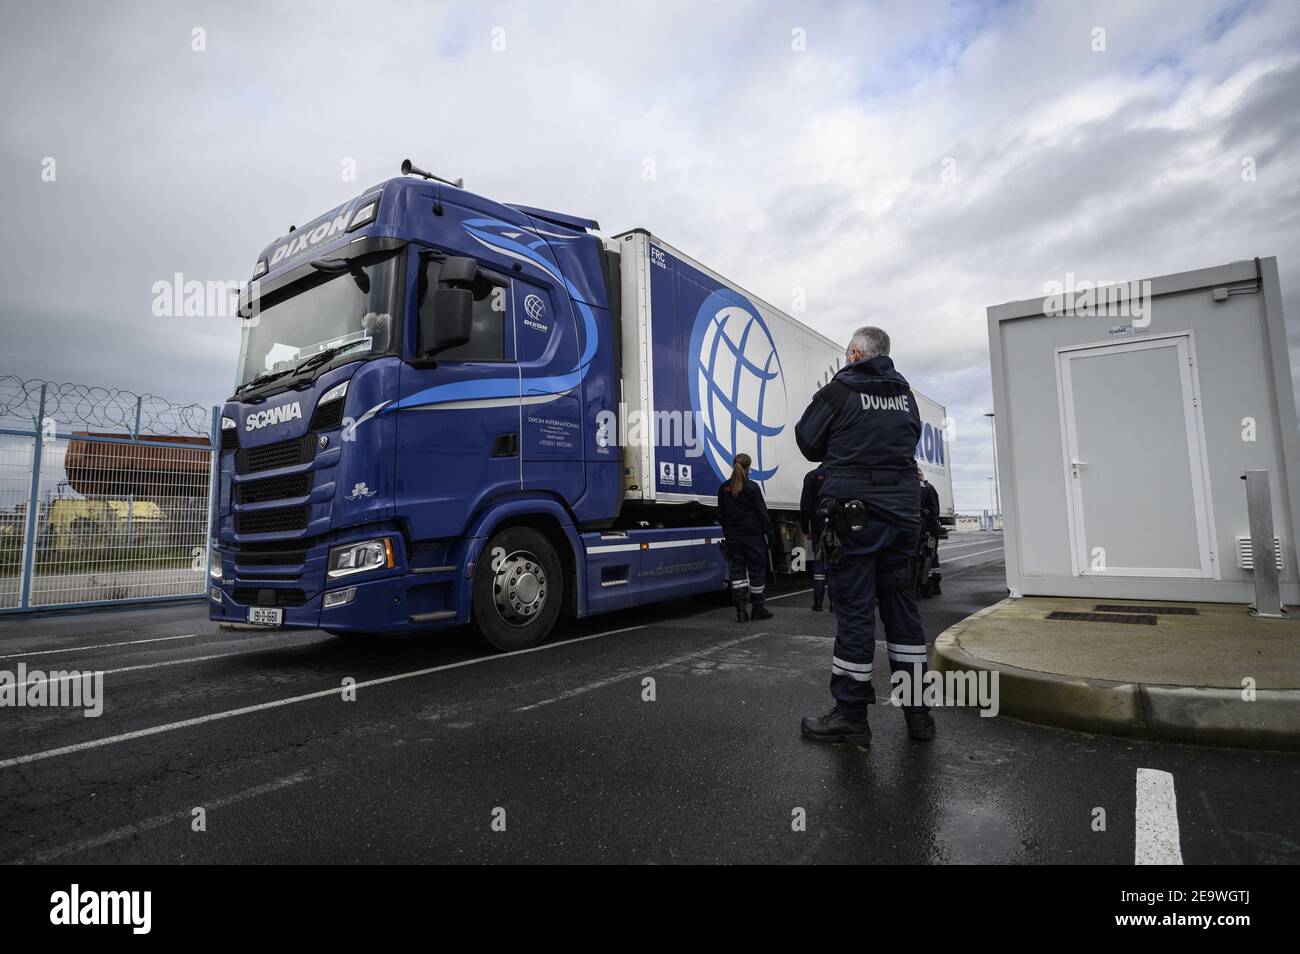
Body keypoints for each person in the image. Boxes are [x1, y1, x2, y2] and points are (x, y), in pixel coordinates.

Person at [794, 326, 935, 744]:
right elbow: (909, 438)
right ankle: (919, 717)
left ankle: (852, 717)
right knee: (903, 613)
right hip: (903, 518)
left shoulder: (841, 388)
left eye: (846, 353)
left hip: (855, 522)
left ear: (854, 353)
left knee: (856, 614)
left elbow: (807, 441)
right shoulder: (905, 394)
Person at [717, 453, 776, 623]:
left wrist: (728, 531)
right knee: (756, 571)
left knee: (737, 571)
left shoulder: (724, 488)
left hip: (733, 536)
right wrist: (770, 534)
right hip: (752, 536)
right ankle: (758, 608)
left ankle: (741, 611)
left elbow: (721, 515)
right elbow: (762, 513)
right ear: (748, 467)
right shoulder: (752, 487)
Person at [799, 464, 830, 611]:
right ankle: (834, 604)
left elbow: (805, 505)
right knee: (834, 564)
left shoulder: (811, 476)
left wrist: (805, 528)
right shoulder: (839, 475)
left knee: (819, 562)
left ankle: (818, 603)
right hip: (836, 527)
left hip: (817, 527)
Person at [918, 466, 943, 596]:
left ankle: (925, 586)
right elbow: (935, 510)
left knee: (923, 556)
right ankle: (935, 585)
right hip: (932, 527)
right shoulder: (930, 487)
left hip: (924, 527)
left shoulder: (919, 488)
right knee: (932, 555)